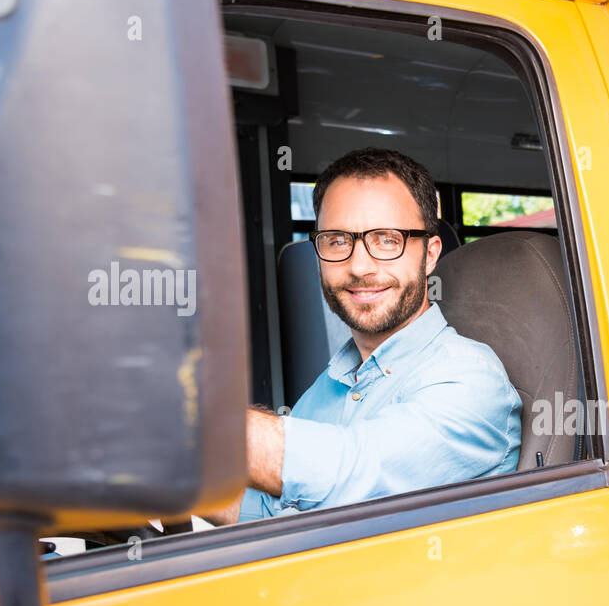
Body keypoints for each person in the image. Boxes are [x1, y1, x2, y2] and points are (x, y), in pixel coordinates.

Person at [208, 148, 521, 524]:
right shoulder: (326, 388)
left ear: (430, 254)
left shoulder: (472, 380)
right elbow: (271, 512)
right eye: (337, 240)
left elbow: (350, 472)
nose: (359, 266)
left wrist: (180, 420)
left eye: (388, 239)